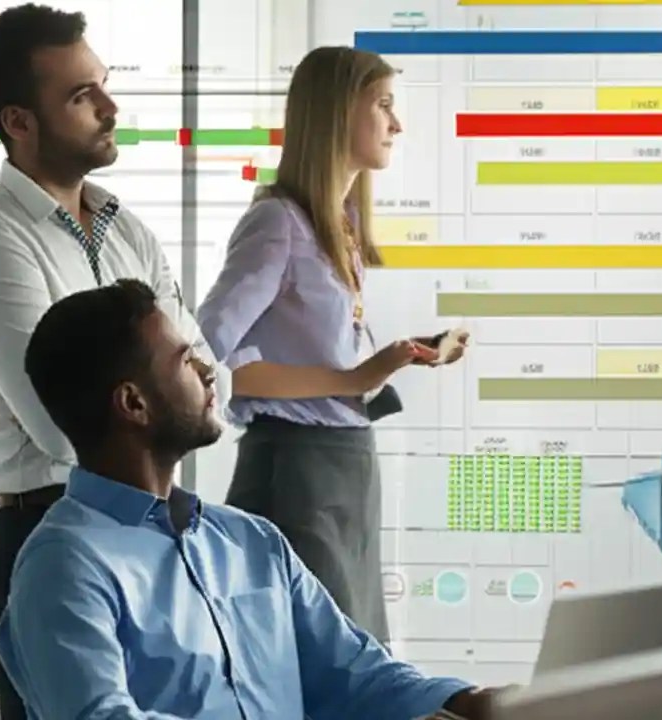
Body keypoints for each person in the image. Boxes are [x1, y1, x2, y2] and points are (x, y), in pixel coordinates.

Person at [0, 278, 493, 719]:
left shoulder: (249, 540)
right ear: (134, 403)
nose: (209, 371)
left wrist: (479, 703)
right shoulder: (63, 565)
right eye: (184, 359)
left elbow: (354, 672)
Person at [0, 5, 229, 717]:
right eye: (81, 96)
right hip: (47, 531)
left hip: (151, 526)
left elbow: (206, 375)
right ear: (17, 121)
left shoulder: (126, 228)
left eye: (102, 85)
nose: (109, 107)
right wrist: (164, 393)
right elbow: (60, 426)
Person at [196, 46, 468, 642]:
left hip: (344, 466)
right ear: (337, 112)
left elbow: (321, 350)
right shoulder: (277, 223)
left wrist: (381, 363)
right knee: (320, 661)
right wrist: (354, 379)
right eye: (384, 105)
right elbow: (207, 357)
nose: (397, 124)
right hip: (296, 471)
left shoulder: (339, 222)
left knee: (359, 657)